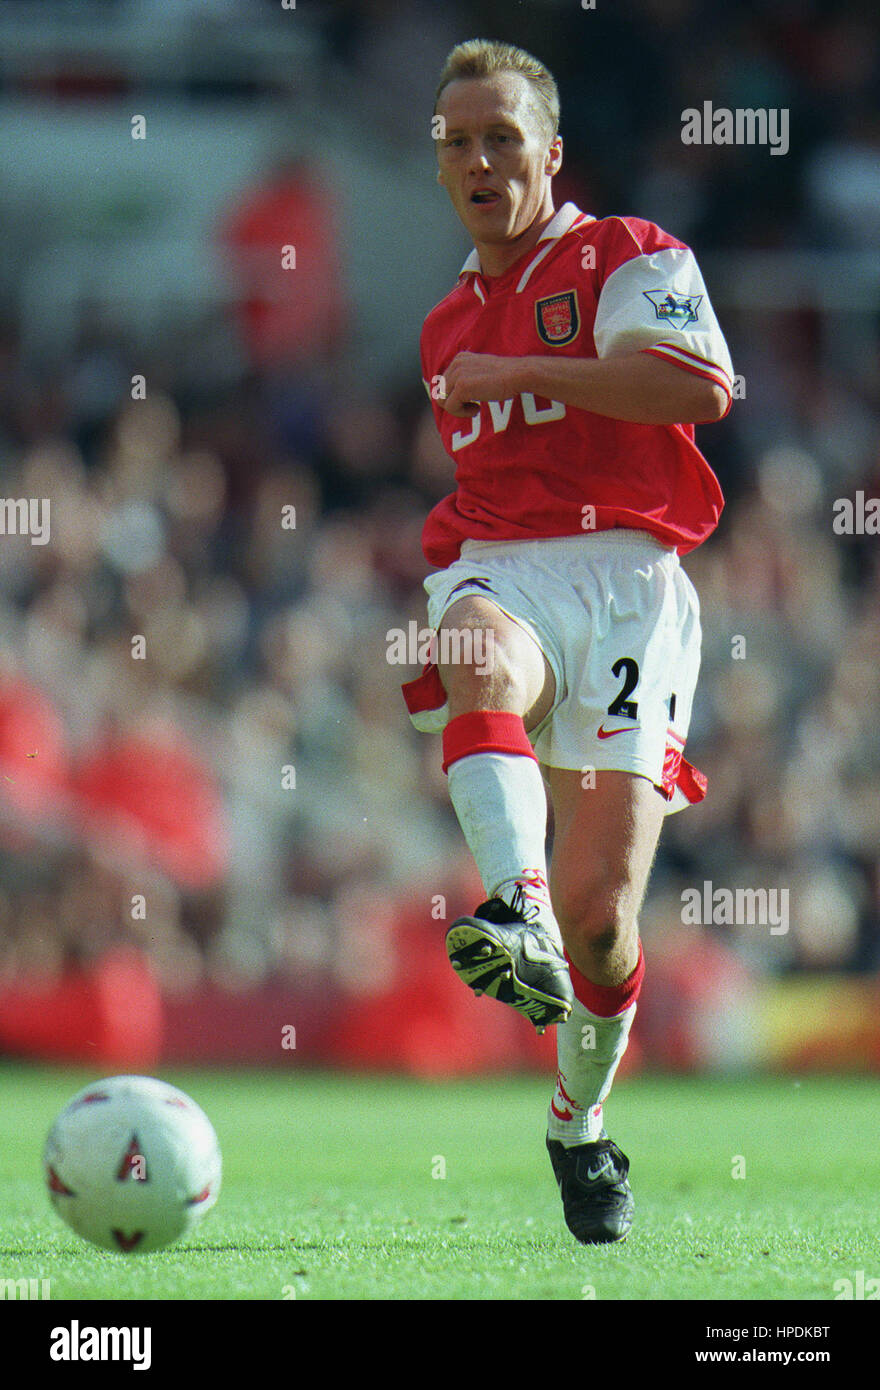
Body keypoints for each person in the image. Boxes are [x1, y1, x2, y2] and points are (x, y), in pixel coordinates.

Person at [402, 38, 733, 1244]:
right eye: (457, 142)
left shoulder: (631, 254)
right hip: (506, 567)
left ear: (550, 151)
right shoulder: (443, 322)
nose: (480, 159)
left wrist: (518, 363)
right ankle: (512, 904)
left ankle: (576, 1124)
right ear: (437, 165)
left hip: (640, 582)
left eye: (501, 137)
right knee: (473, 653)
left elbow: (696, 390)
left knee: (606, 921)